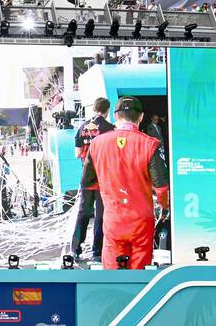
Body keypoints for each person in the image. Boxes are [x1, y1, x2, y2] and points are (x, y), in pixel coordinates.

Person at [81, 96, 170, 269]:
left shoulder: (97, 144)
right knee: (139, 276)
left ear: (115, 116)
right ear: (141, 117)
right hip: (142, 221)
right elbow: (161, 188)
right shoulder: (150, 144)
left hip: (113, 219)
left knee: (113, 276)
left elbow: (87, 182)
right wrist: (165, 207)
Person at [69, 97, 112, 261]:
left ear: (94, 108)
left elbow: (77, 154)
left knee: (83, 213)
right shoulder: (110, 128)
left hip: (87, 177)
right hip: (103, 178)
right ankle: (97, 252)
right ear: (107, 111)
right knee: (101, 215)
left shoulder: (82, 127)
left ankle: (76, 249)